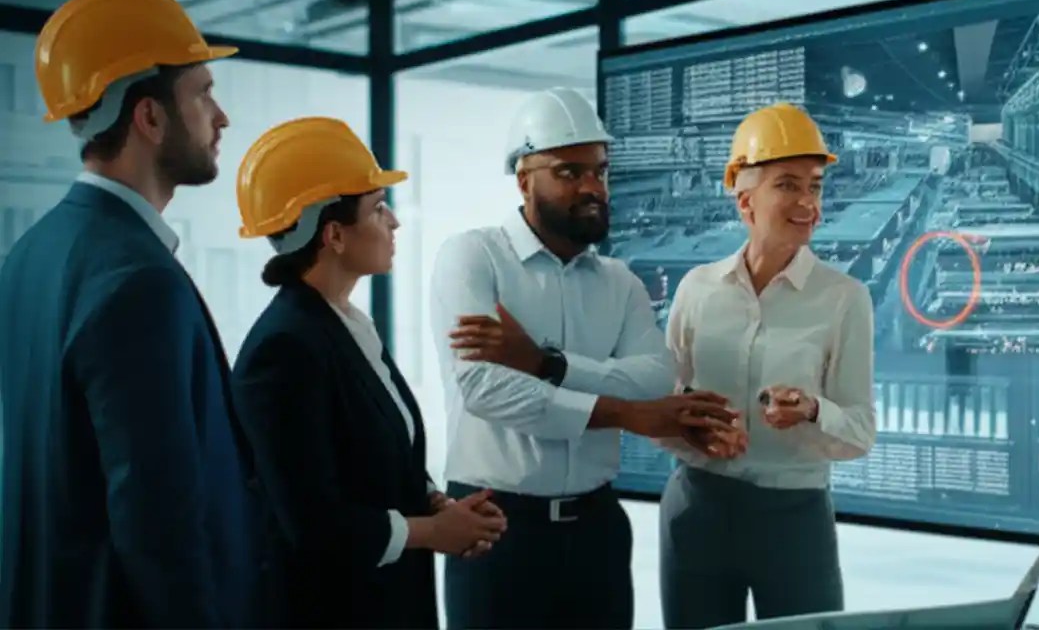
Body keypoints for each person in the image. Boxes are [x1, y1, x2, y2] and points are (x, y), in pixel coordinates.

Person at [0, 0, 264, 627]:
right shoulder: (136, 280)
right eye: (203, 93)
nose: (221, 117)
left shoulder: (30, 254)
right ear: (149, 117)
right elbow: (157, 520)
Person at [430, 86, 739, 630]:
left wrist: (547, 363)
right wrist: (624, 414)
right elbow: (485, 390)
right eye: (569, 173)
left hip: (596, 528)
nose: (592, 186)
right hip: (495, 526)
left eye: (599, 170)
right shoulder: (472, 258)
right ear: (524, 179)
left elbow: (654, 379)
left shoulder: (618, 282)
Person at [230, 117, 507, 628]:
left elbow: (370, 462)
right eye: (379, 208)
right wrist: (431, 533)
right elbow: (312, 524)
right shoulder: (285, 349)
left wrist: (435, 504)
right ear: (333, 234)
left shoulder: (343, 324)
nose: (395, 221)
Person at [657, 102, 878, 629]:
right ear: (745, 200)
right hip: (697, 509)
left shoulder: (844, 299)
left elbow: (860, 431)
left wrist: (812, 411)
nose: (808, 202)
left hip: (794, 519)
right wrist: (695, 432)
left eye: (816, 185)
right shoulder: (697, 290)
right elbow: (659, 407)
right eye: (787, 184)